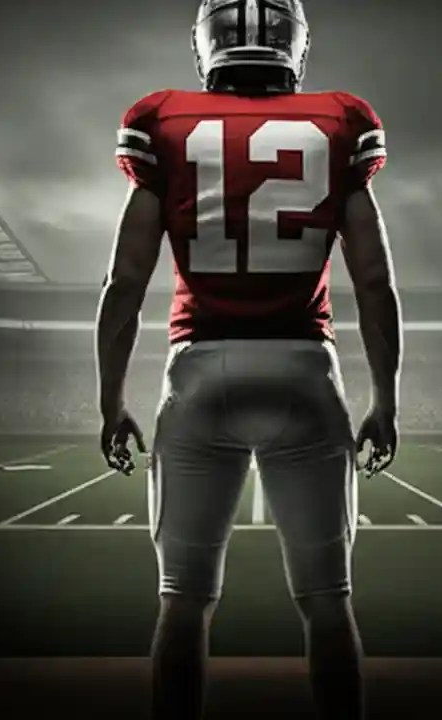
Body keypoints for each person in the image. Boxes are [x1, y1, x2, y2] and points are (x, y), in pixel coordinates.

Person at [95, 2, 402, 717]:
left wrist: (110, 403)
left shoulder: (164, 122)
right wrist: (386, 400)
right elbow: (376, 281)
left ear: (207, 44)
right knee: (328, 604)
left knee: (182, 601)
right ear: (295, 44)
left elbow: (125, 283)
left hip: (199, 371)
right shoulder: (340, 120)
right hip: (305, 371)